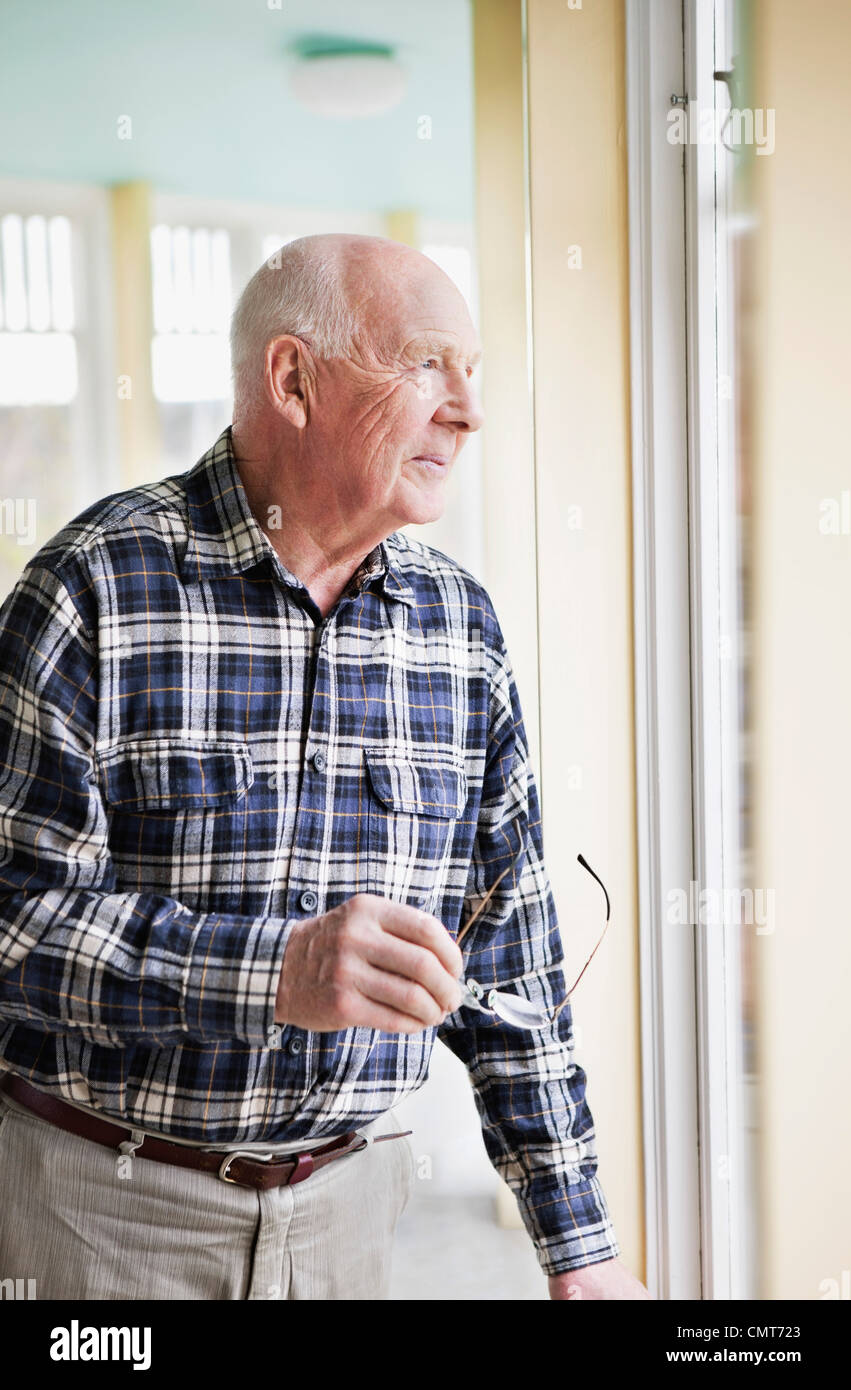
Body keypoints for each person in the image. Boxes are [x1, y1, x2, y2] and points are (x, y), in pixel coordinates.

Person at [0, 233, 649, 1301]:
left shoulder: (459, 628)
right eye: (426, 363)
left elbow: (511, 962)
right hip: (100, 1214)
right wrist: (276, 972)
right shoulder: (92, 588)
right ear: (293, 380)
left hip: (350, 1213)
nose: (467, 411)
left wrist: (578, 1248)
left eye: (471, 371)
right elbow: (18, 928)